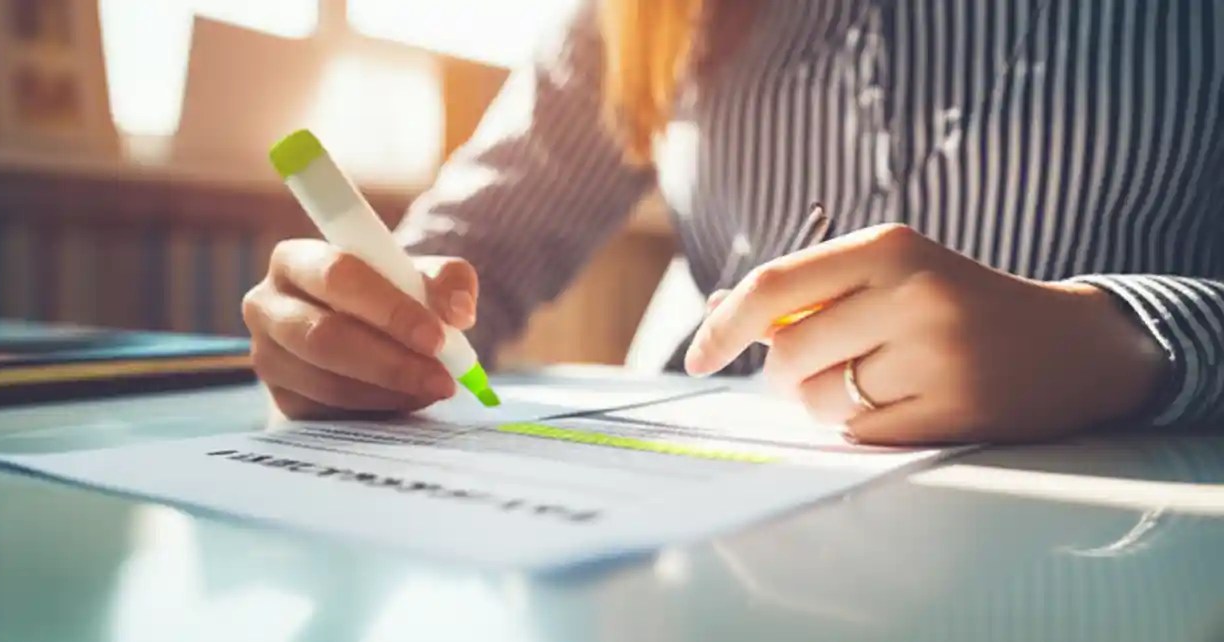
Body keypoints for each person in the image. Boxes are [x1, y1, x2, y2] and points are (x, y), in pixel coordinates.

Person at [242, 0, 1224, 444]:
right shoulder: (642, 13)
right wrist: (363, 320)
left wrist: (1120, 340)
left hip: (1107, 552)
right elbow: (478, 241)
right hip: (700, 535)